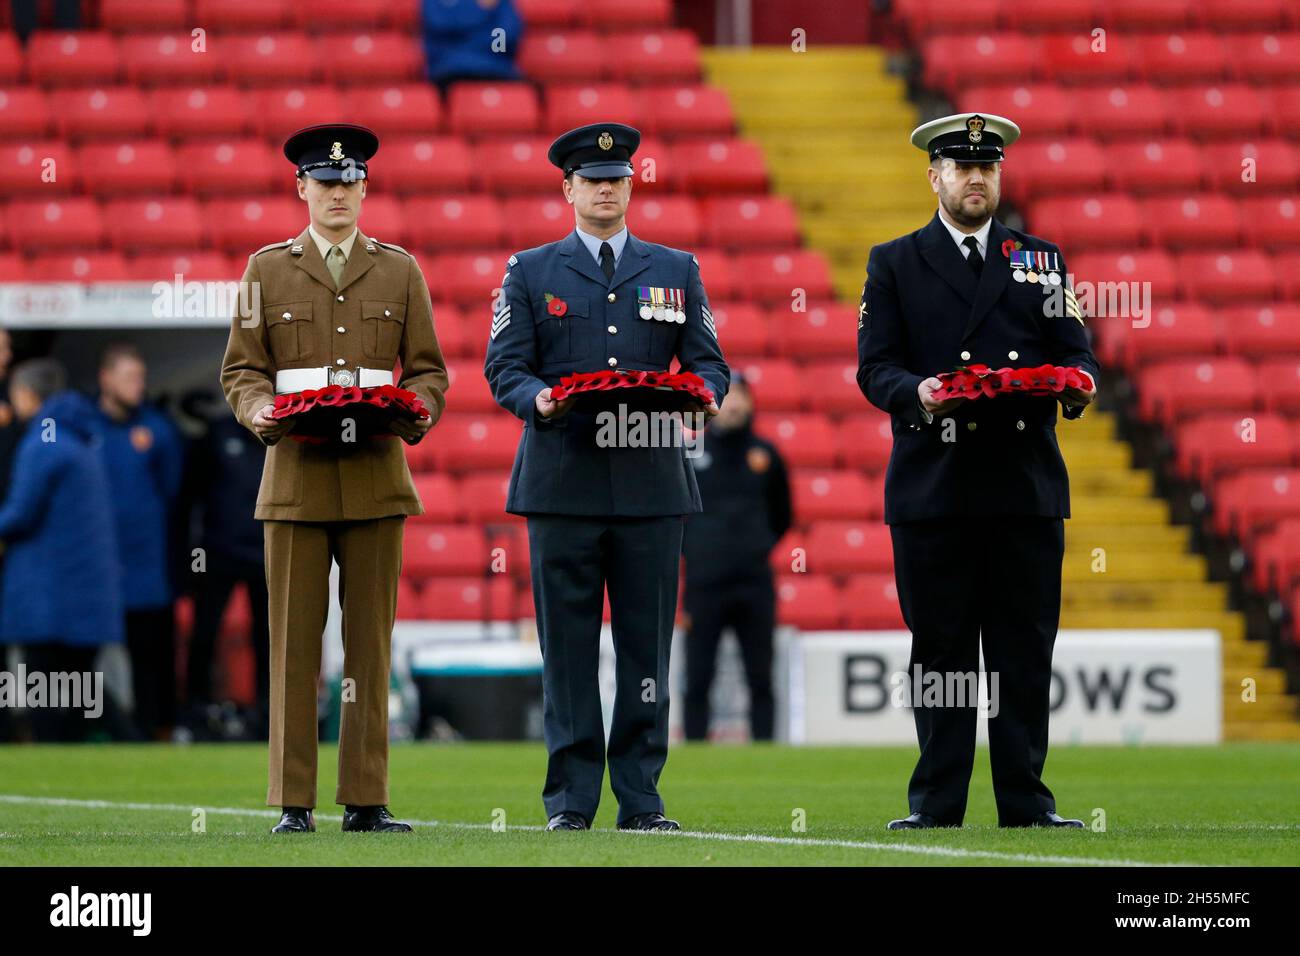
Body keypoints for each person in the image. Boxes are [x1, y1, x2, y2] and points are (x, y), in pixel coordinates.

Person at [484, 122, 730, 831]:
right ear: (567, 189)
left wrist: (706, 395)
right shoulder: (529, 271)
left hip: (652, 484)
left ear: (630, 187)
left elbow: (709, 361)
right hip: (563, 480)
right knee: (566, 650)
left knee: (647, 650)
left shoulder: (676, 268)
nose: (604, 191)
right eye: (592, 181)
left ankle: (643, 801)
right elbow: (505, 367)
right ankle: (569, 801)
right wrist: (540, 400)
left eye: (616, 180)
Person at [856, 112, 1099, 830]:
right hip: (935, 486)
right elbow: (875, 368)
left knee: (1025, 651)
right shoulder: (893, 261)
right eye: (961, 168)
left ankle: (1027, 802)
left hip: (1024, 486)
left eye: (986, 168)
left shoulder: (1041, 259)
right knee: (942, 653)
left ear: (999, 175)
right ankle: (937, 805)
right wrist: (918, 393)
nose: (974, 178)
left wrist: (1081, 384)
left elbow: (1078, 351)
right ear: (934, 177)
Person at [221, 123, 449, 834]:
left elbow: (430, 371)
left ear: (365, 187)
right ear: (302, 188)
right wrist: (260, 411)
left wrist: (415, 413)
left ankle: (366, 798)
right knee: (293, 646)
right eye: (325, 182)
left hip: (377, 474)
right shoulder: (266, 269)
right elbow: (242, 368)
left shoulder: (400, 270)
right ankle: (293, 803)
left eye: (349, 183)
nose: (338, 194)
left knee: (370, 647)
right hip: (295, 476)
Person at [65, 344, 183, 741]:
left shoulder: (157, 430)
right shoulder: (82, 427)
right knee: (82, 657)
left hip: (145, 570)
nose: (138, 385)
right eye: (130, 376)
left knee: (151, 657)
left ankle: (153, 732)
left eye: (142, 377)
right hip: (93, 569)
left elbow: (173, 491)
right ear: (105, 378)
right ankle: (92, 730)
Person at [0, 360, 123, 741]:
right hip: (83, 594)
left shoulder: (41, 442)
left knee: (47, 693)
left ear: (25, 395)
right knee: (80, 686)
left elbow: (20, 513)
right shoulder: (80, 437)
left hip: (49, 594)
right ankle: (130, 738)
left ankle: (124, 737)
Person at [681, 370, 791, 742]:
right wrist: (697, 551)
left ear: (751, 402)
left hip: (754, 582)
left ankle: (765, 755)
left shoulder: (767, 455)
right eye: (728, 396)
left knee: (761, 676)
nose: (735, 404)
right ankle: (694, 755)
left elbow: (783, 515)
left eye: (741, 395)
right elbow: (676, 518)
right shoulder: (692, 454)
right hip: (703, 584)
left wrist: (754, 547)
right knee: (697, 677)